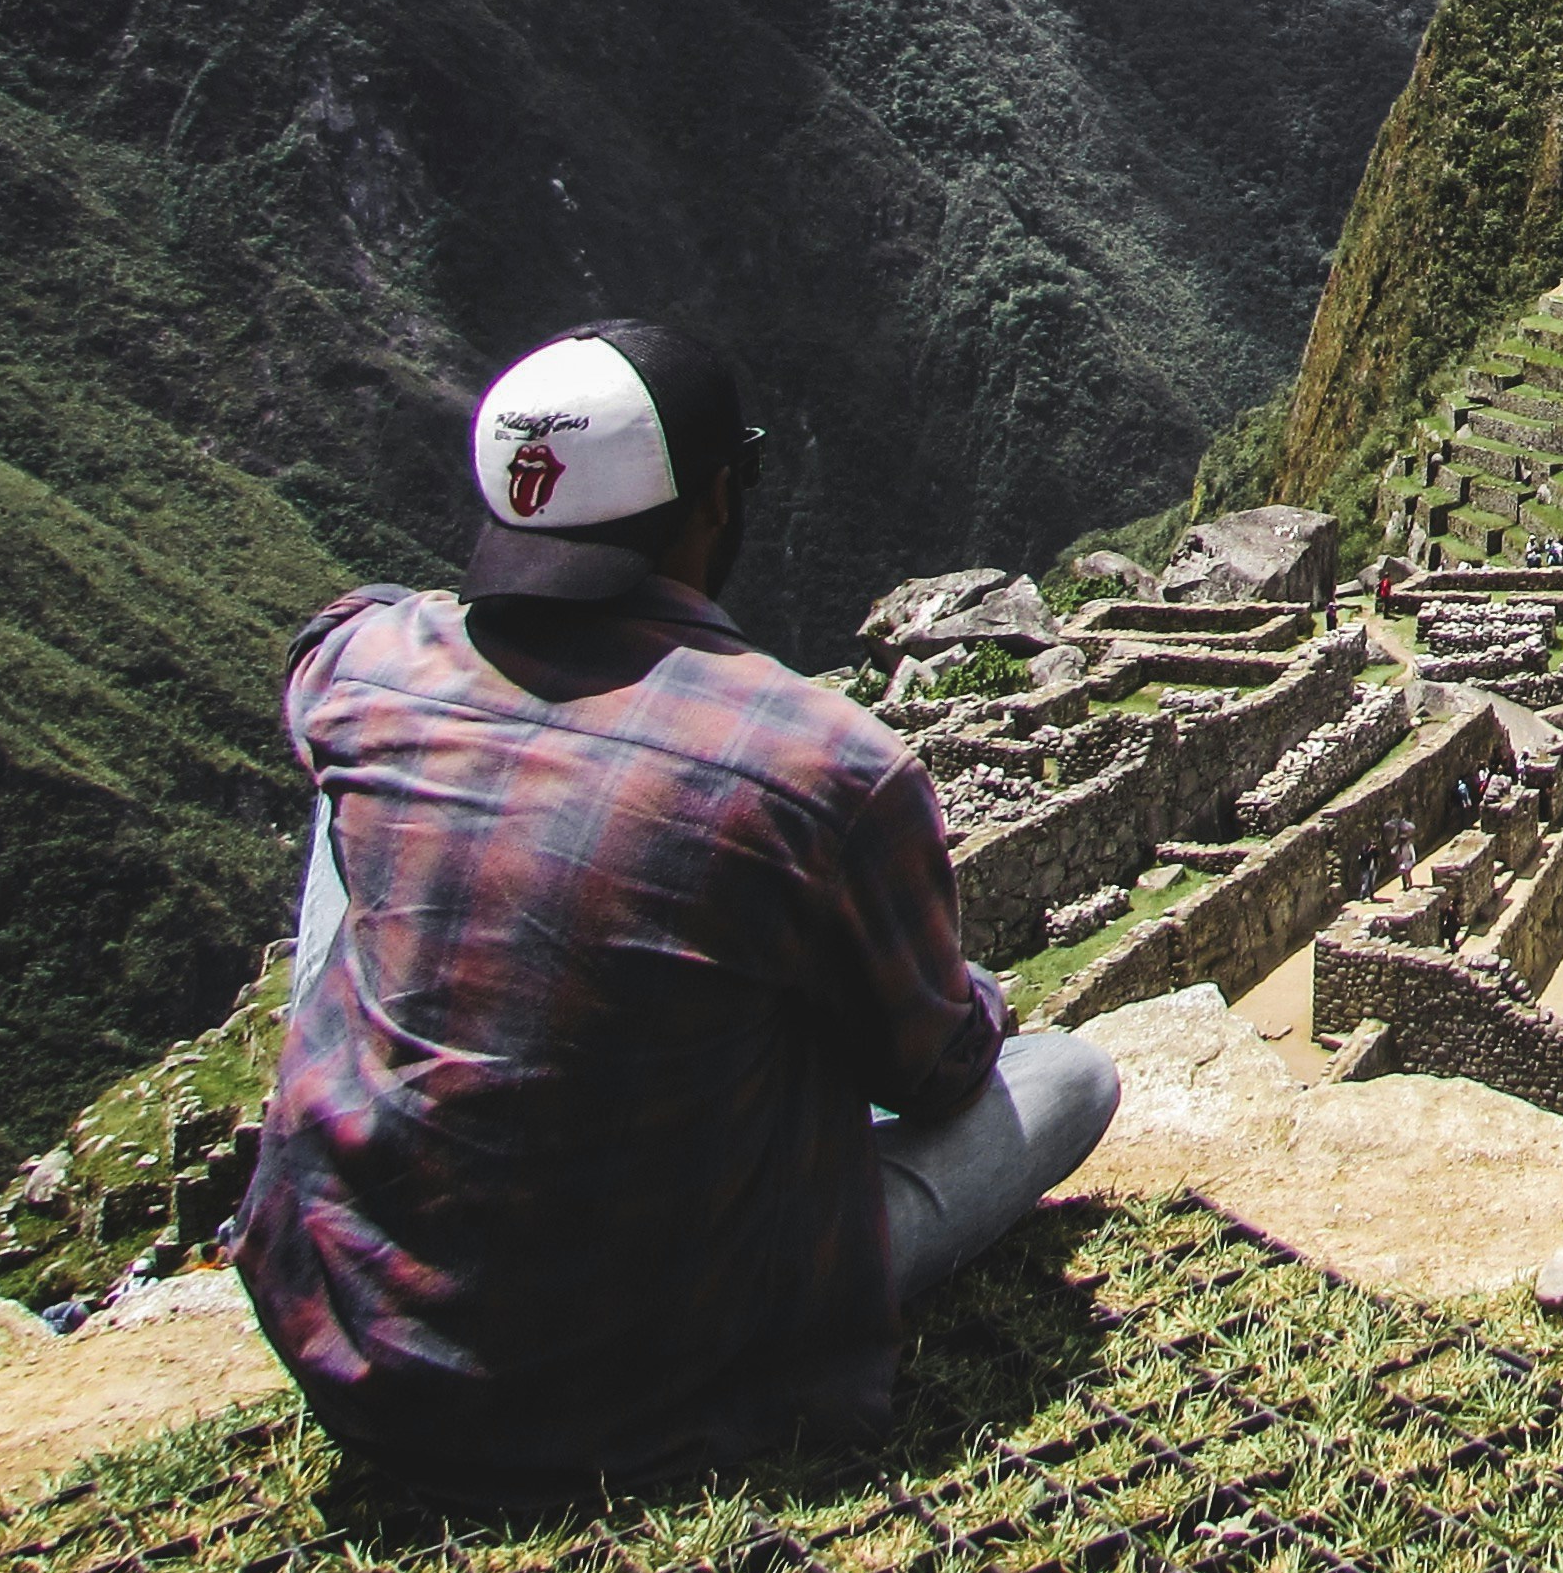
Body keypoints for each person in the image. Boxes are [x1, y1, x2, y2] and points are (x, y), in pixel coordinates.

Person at [236, 321, 1116, 1504]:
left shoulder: (363, 660)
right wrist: (975, 1001)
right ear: (715, 502)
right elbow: (940, 1073)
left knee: (350, 813)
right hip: (667, 1357)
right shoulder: (826, 766)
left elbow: (328, 641)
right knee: (1072, 1077)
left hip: (356, 1337)